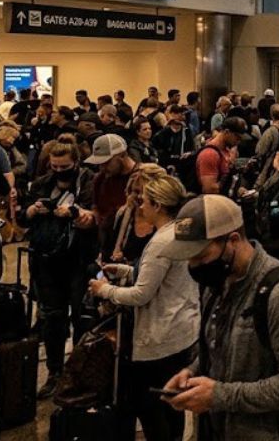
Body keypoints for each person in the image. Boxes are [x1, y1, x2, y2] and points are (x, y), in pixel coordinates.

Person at [160, 195, 279, 440]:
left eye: (201, 256)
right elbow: (221, 347)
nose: (194, 266)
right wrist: (193, 371)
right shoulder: (216, 285)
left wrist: (218, 396)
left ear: (233, 240)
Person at [89, 172, 199, 441]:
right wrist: (128, 270)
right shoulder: (183, 230)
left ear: (158, 205)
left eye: (145, 202)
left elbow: (142, 294)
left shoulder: (160, 242)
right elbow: (163, 277)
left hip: (160, 335)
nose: (140, 206)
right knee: (172, 402)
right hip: (182, 327)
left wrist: (106, 290)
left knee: (149, 406)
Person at [21, 137, 96, 397]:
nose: (59, 171)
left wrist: (74, 212)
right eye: (55, 166)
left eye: (64, 167)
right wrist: (32, 210)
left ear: (75, 162)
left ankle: (76, 372)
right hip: (47, 260)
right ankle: (54, 371)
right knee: (52, 318)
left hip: (78, 259)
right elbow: (22, 218)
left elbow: (96, 218)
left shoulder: (88, 182)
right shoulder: (42, 184)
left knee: (80, 317)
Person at [85, 133, 140, 261]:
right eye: (99, 164)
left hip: (131, 253)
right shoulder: (100, 179)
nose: (102, 168)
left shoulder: (141, 180)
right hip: (106, 251)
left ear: (122, 155)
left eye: (106, 162)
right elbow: (96, 211)